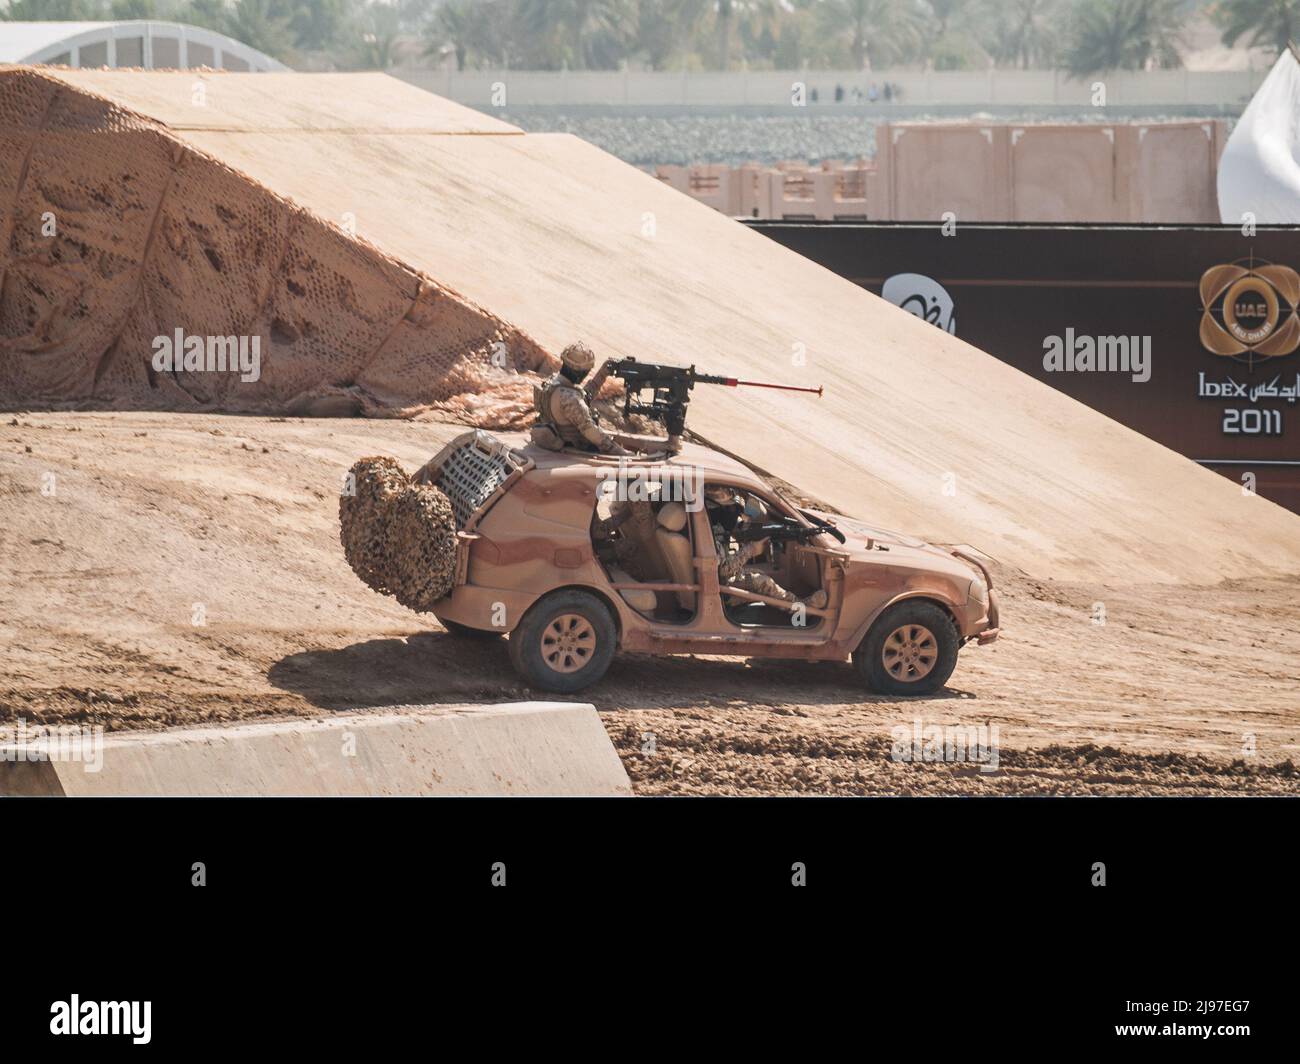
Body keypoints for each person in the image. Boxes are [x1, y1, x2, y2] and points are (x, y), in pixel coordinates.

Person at [531, 342, 665, 456]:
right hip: (574, 448)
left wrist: (602, 374)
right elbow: (590, 431)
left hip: (554, 438)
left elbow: (584, 396)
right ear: (581, 373)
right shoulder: (570, 398)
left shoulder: (552, 383)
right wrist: (620, 452)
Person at [705, 486, 827, 609]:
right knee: (764, 582)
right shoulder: (708, 536)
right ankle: (800, 609)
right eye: (729, 508)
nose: (733, 513)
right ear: (714, 509)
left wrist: (744, 526)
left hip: (715, 582)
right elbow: (722, 571)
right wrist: (751, 550)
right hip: (718, 589)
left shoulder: (709, 527)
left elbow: (745, 521)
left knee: (758, 573)